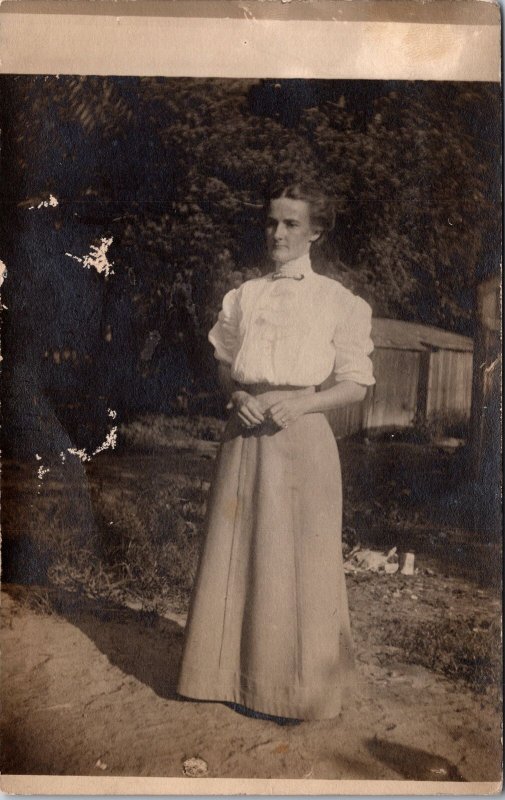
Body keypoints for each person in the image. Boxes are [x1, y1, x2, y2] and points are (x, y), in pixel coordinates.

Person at [177, 179, 375, 722]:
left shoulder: (339, 302)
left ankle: (298, 693)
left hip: (301, 440)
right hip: (244, 438)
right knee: (238, 553)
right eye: (271, 222)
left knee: (298, 565)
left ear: (316, 231)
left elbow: (356, 383)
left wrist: (305, 402)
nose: (277, 233)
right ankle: (223, 679)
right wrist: (236, 393)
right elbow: (224, 365)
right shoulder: (244, 296)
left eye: (291, 223)